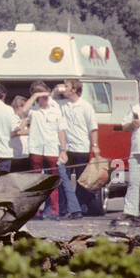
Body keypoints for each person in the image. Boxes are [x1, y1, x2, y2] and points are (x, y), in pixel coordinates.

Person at [111, 82, 140, 229]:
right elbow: (124, 127)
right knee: (133, 183)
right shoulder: (136, 108)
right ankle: (130, 211)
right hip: (137, 151)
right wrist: (133, 124)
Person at [55, 78, 100, 219]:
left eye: (66, 86)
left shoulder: (86, 106)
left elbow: (93, 128)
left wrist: (95, 145)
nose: (64, 88)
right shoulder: (62, 104)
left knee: (82, 180)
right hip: (66, 148)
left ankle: (80, 207)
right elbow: (49, 103)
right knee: (63, 179)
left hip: (81, 147)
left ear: (74, 89)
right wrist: (55, 91)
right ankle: (66, 208)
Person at [23, 81, 66, 218]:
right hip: (36, 148)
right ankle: (35, 210)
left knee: (52, 180)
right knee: (36, 180)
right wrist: (35, 96)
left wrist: (63, 150)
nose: (45, 99)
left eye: (46, 96)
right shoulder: (34, 111)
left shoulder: (56, 110)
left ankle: (53, 210)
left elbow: (61, 131)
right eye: (42, 97)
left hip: (52, 148)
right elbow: (23, 111)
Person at [9, 96, 31, 173]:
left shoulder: (23, 119)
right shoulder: (12, 118)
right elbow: (16, 131)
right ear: (18, 107)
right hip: (15, 156)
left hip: (25, 154)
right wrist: (25, 121)